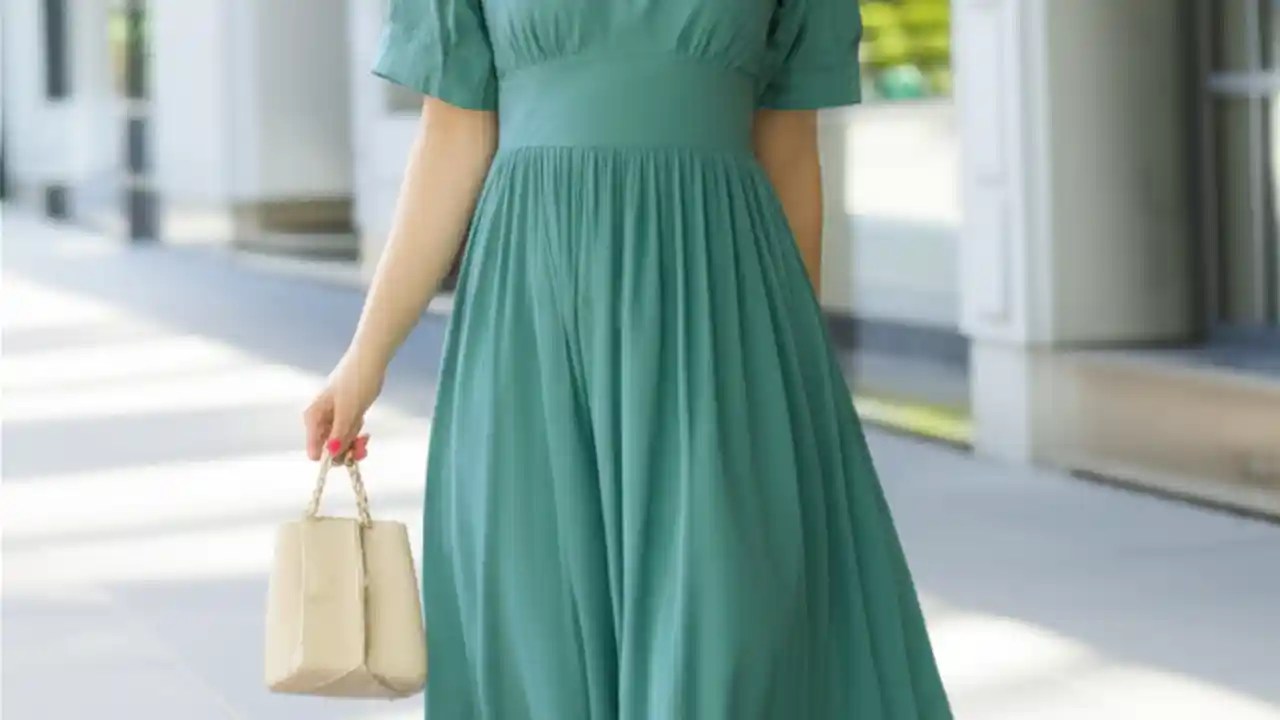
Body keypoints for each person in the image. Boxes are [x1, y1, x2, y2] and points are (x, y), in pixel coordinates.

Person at [303, 0, 953, 717]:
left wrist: (793, 376)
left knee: (726, 627)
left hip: (722, 319)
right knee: (538, 632)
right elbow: (453, 134)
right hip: (534, 318)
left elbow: (790, 147)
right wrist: (365, 357)